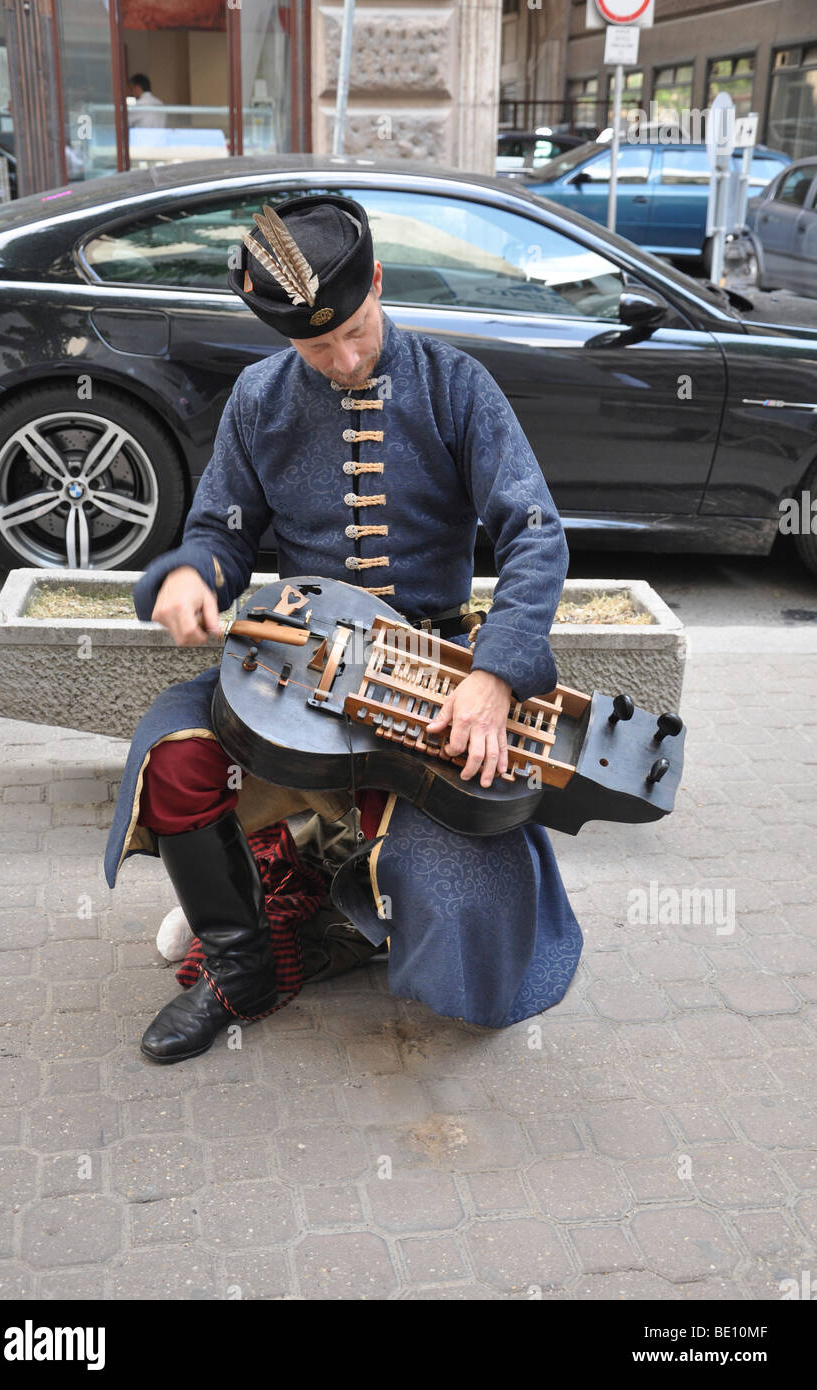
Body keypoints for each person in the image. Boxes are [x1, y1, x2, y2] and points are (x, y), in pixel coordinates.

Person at [103, 194, 583, 1064]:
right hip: (293, 662)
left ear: (379, 286)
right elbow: (222, 529)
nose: (344, 358)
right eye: (316, 348)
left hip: (433, 664)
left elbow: (534, 532)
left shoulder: (452, 382)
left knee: (463, 904)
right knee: (172, 754)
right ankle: (240, 967)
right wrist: (186, 572)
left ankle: (348, 900)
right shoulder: (260, 396)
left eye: (356, 331)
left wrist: (497, 672)